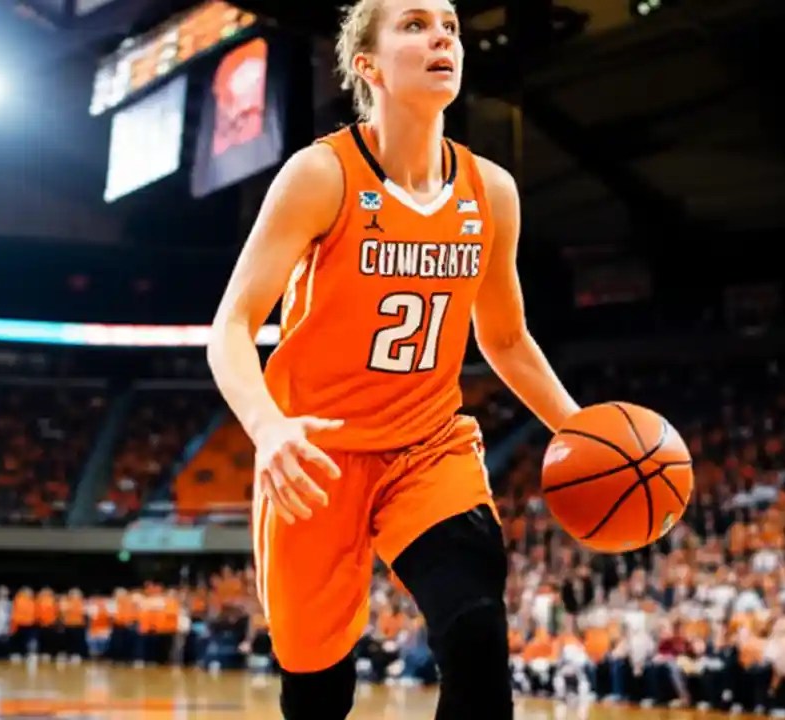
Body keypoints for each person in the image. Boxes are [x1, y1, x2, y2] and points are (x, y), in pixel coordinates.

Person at [206, 0, 580, 717]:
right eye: (414, 23)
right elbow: (231, 326)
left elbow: (503, 339)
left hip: (426, 445)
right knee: (318, 692)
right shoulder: (321, 174)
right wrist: (268, 427)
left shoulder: (491, 191)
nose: (442, 34)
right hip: (316, 456)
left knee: (475, 636)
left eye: (450, 25)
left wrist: (581, 428)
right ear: (367, 65)